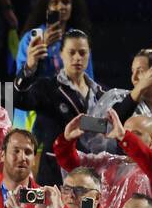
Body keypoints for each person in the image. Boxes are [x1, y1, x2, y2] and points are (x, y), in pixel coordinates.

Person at [12, 27, 102, 186]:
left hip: (90, 175)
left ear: (89, 54)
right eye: (71, 52)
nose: (77, 58)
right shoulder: (47, 88)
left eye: (82, 53)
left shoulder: (101, 93)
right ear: (61, 54)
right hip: (54, 174)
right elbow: (19, 100)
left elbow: (108, 127)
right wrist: (28, 69)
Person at [53, 113, 152, 208]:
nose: (126, 137)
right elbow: (73, 165)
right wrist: (66, 141)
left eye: (136, 134)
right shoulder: (108, 162)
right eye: (126, 133)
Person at [13, 0, 94, 83]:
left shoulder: (79, 39)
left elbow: (88, 79)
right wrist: (42, 46)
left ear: (72, 7)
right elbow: (20, 80)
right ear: (47, 8)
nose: (61, 7)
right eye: (54, 2)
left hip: (71, 96)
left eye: (65, 2)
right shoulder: (31, 38)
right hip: (38, 96)